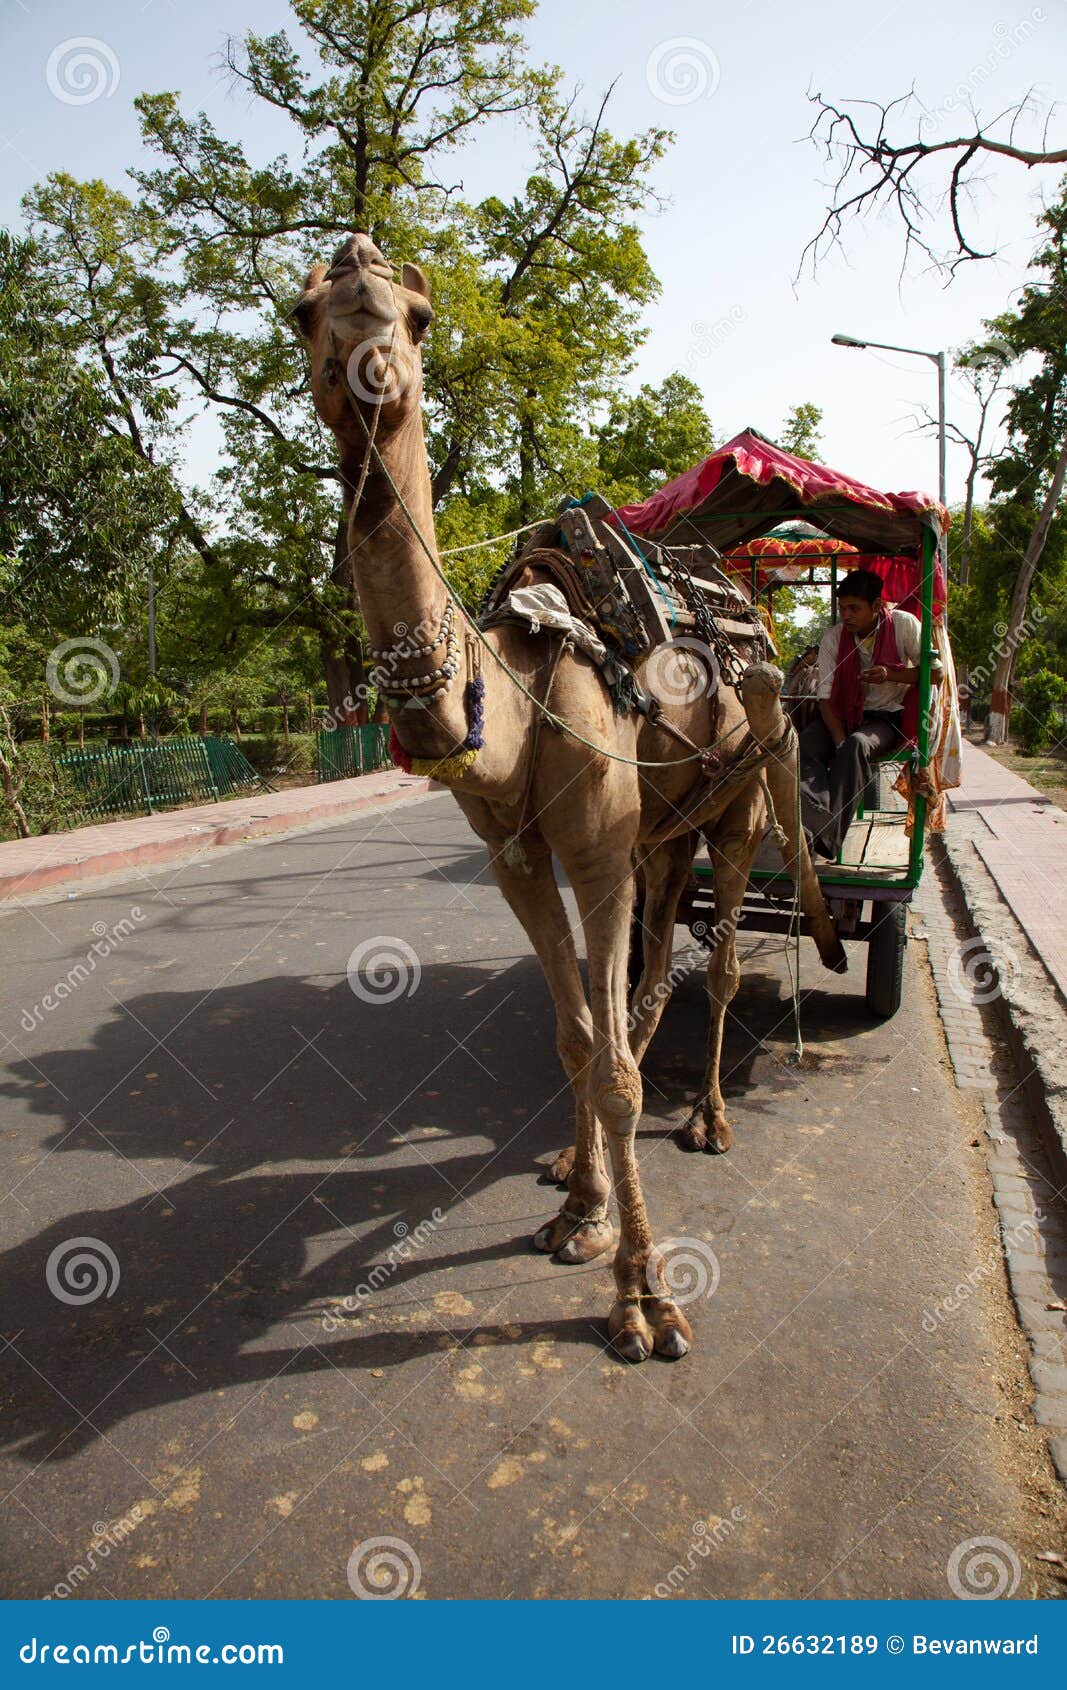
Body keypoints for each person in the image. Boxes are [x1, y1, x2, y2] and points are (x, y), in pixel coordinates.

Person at [798, 567, 938, 859]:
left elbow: (934, 674)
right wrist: (837, 739)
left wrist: (891, 675)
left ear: (877, 606)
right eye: (842, 609)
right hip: (841, 715)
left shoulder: (904, 625)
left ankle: (828, 839)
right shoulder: (833, 638)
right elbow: (825, 697)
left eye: (854, 608)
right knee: (803, 745)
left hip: (886, 718)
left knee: (858, 745)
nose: (846, 615)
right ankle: (822, 816)